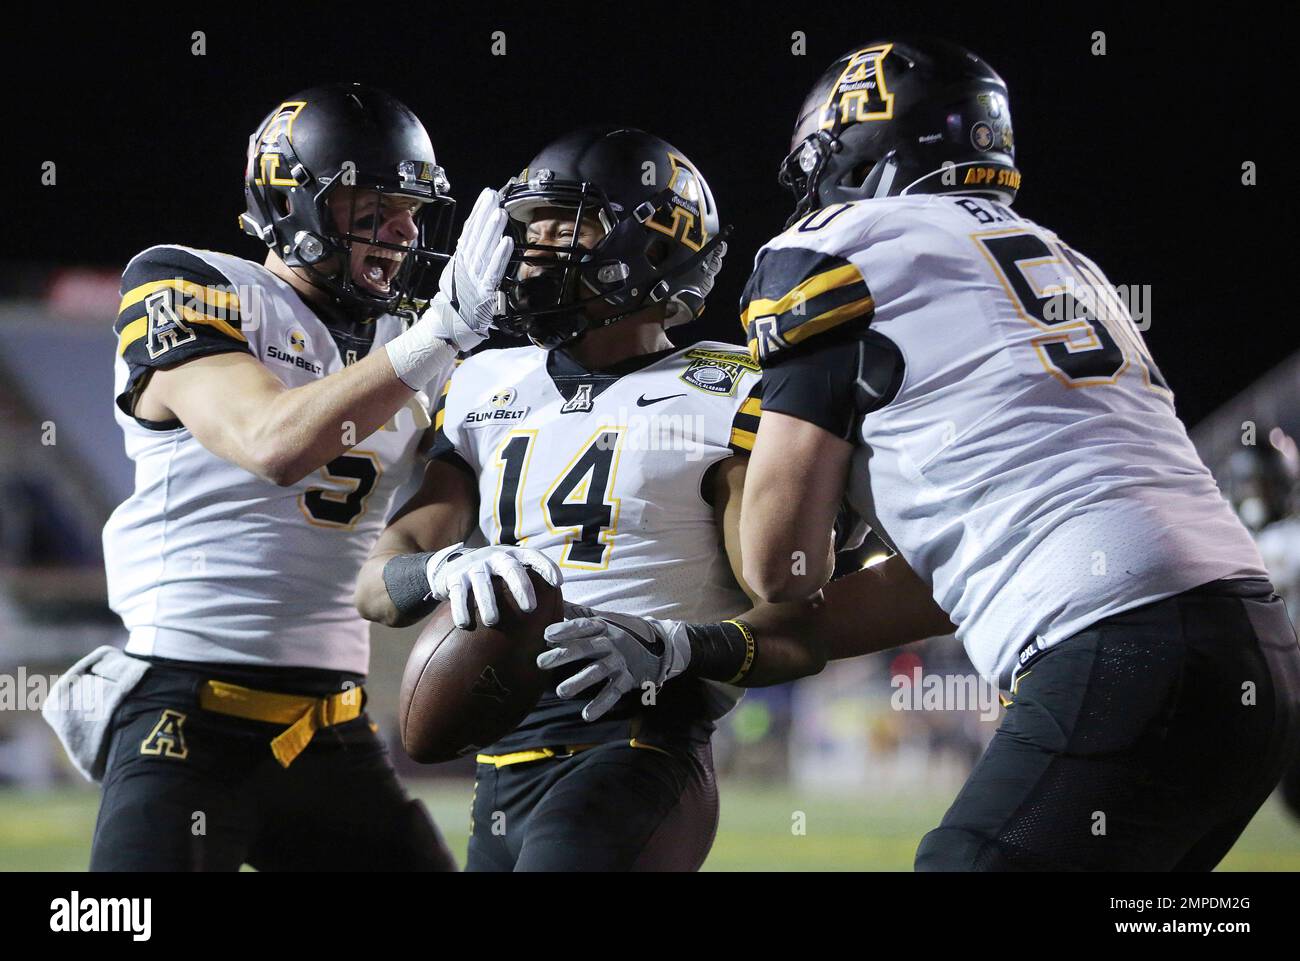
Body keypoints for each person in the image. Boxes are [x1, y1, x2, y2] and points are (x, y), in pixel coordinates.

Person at [545, 40, 1300, 872]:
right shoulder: (1064, 263)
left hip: (1118, 645)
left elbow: (780, 565)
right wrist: (702, 642)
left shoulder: (839, 244)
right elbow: (947, 581)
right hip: (1255, 651)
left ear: (856, 149)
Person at [88, 83, 512, 870]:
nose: (402, 231)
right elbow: (271, 440)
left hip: (329, 724)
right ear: (296, 201)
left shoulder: (412, 336)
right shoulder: (190, 281)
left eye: (412, 211)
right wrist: (439, 336)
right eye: (374, 206)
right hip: (187, 713)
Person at [355, 127, 800, 871]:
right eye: (530, 228)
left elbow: (790, 623)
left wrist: (677, 647)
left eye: (568, 226)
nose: (534, 249)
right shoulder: (481, 380)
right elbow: (378, 581)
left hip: (635, 743)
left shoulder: (726, 393)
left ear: (653, 247)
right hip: (499, 754)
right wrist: (438, 571)